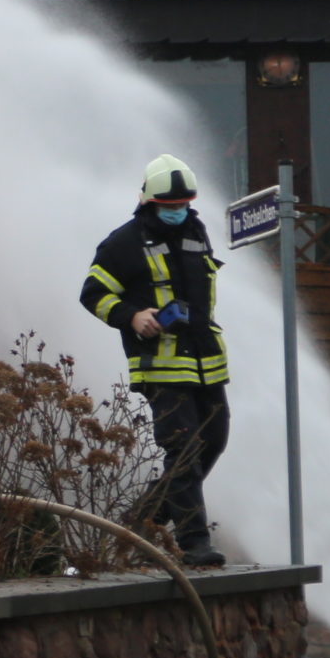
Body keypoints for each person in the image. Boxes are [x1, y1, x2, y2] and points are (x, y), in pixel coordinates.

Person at [79, 154, 230, 567]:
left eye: (183, 205)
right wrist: (133, 315)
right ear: (148, 201)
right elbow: (93, 294)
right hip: (161, 366)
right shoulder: (124, 242)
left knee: (213, 442)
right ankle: (194, 543)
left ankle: (143, 518)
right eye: (169, 207)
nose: (178, 212)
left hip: (207, 363)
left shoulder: (198, 233)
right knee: (182, 449)